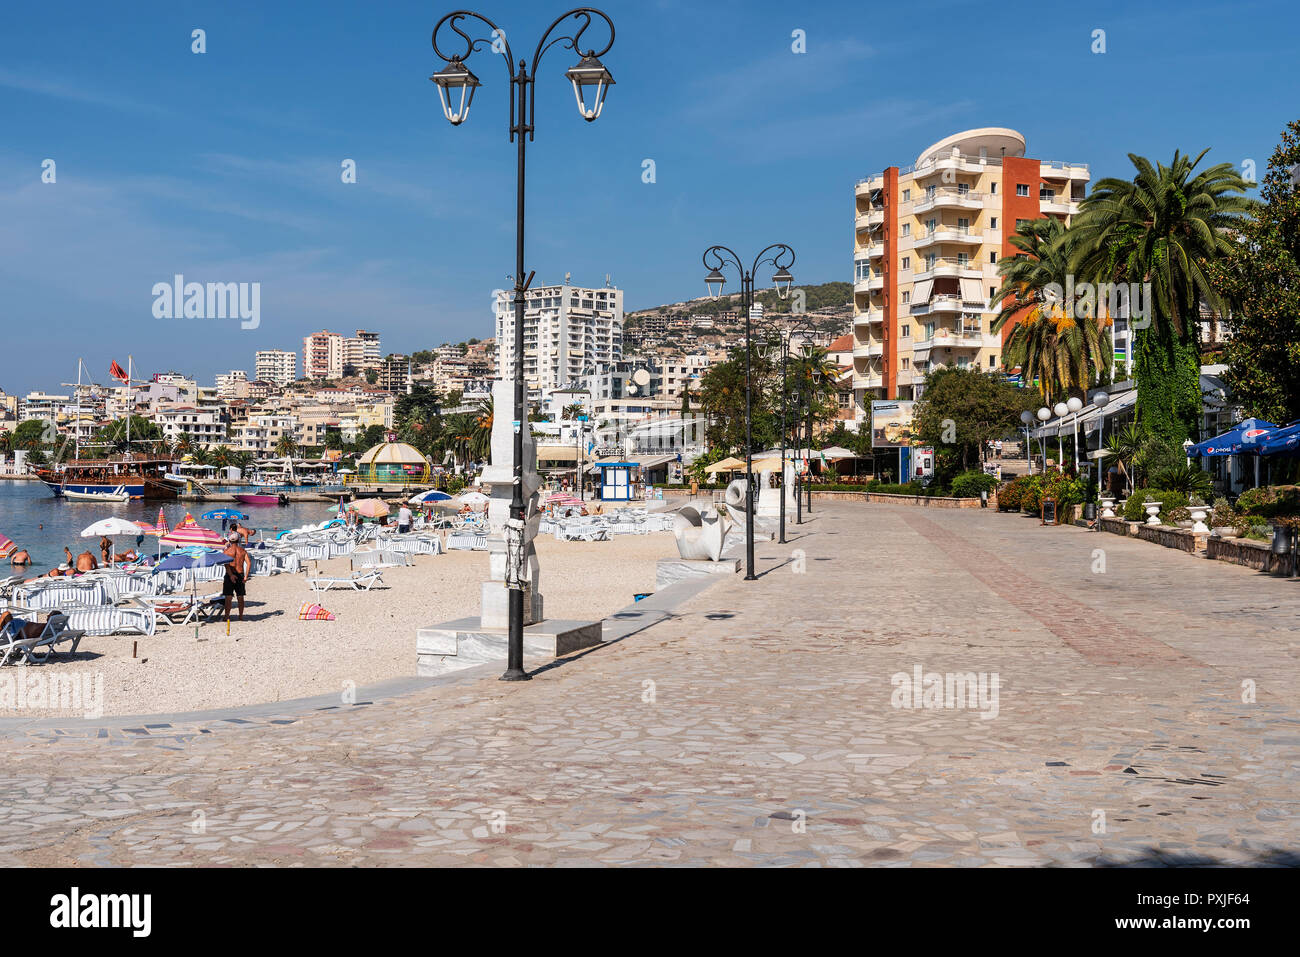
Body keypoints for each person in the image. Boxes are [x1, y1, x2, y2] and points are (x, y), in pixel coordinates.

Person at [221, 531, 250, 622]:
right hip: (240, 574)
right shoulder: (242, 551)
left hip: (230, 575)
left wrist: (231, 575)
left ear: (229, 541)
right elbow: (249, 563)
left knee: (228, 597)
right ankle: (240, 616)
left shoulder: (226, 551)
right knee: (240, 596)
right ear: (238, 540)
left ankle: (227, 616)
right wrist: (246, 576)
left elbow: (226, 564)